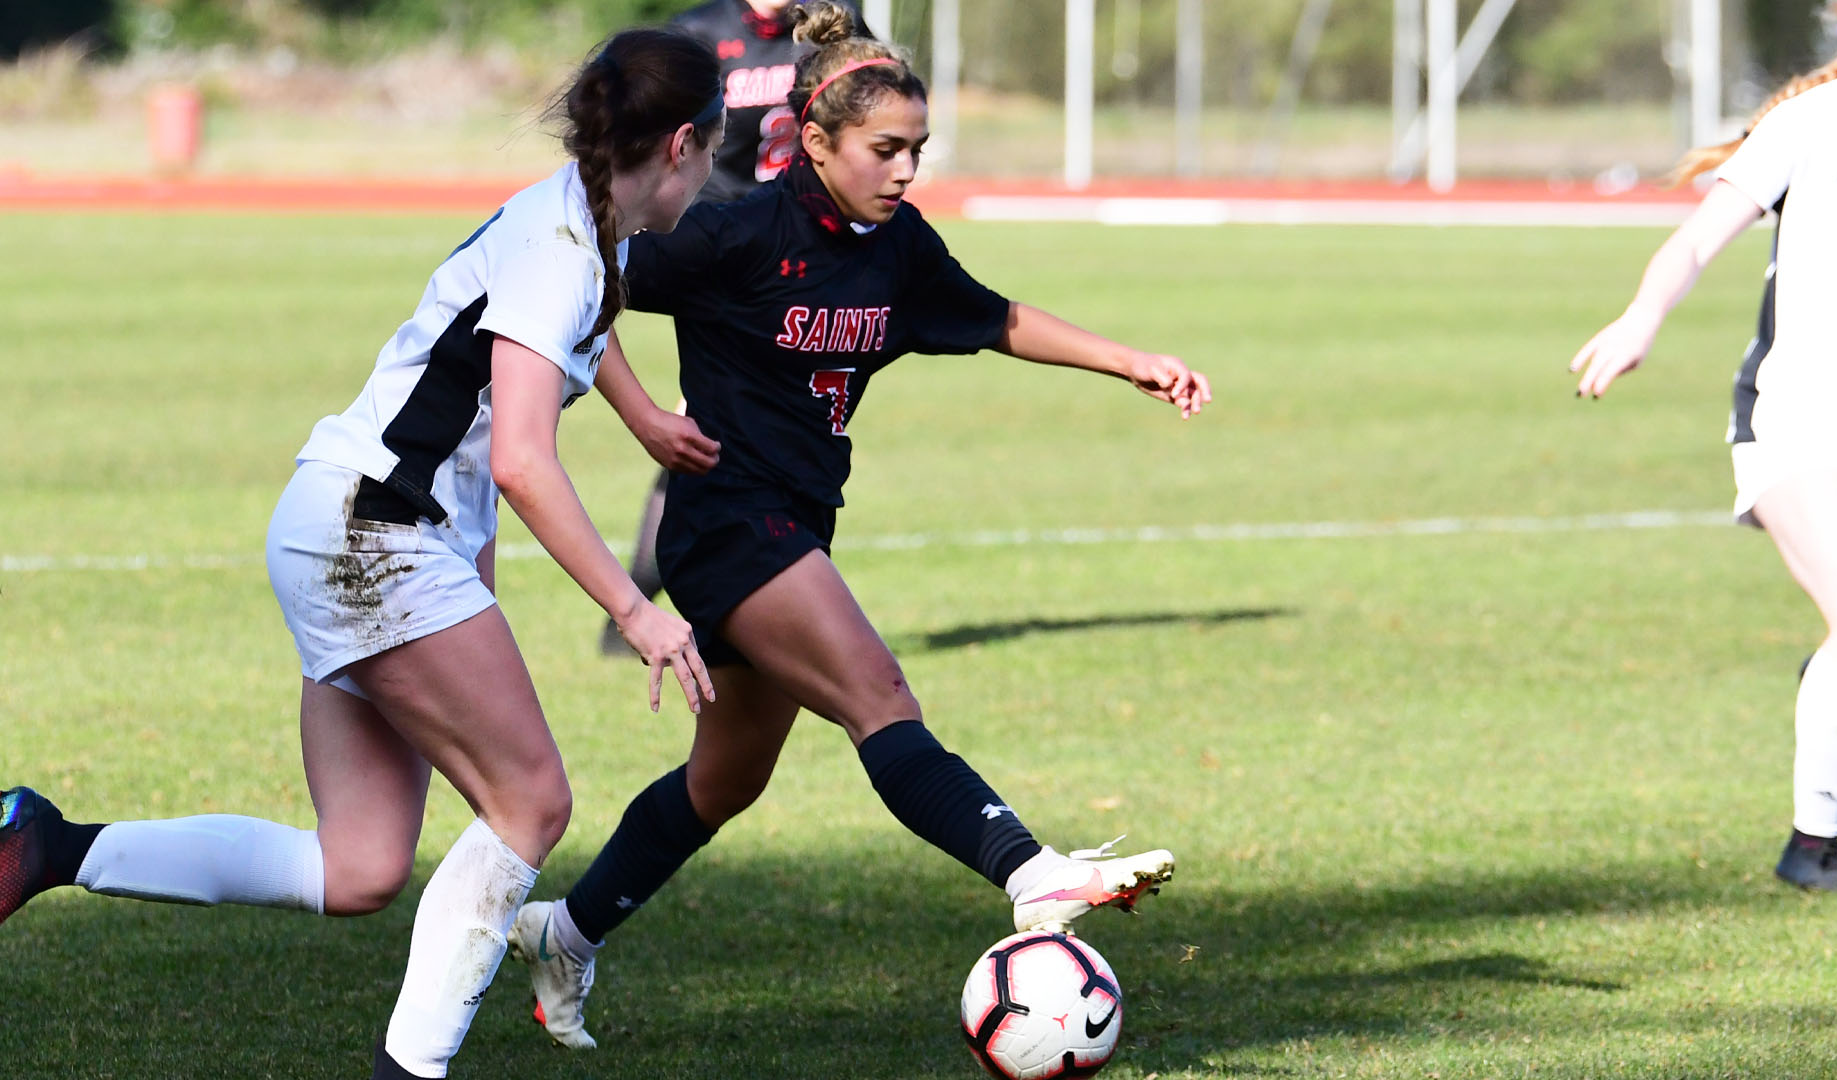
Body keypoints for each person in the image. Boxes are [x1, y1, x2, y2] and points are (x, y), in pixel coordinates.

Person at [0, 28, 722, 1078]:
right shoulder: (567, 254)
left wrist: (646, 417)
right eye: (711, 159)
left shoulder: (579, 217)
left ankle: (48, 843)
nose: (709, 179)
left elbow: (573, 330)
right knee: (532, 803)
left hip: (341, 524)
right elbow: (523, 458)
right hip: (373, 543)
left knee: (360, 865)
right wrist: (634, 607)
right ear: (684, 144)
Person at [507, 2, 1209, 1051]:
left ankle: (563, 932)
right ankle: (1031, 872)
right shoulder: (737, 232)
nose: (905, 169)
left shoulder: (897, 246)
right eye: (886, 149)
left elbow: (996, 317)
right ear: (816, 142)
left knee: (727, 777)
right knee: (878, 694)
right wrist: (647, 415)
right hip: (728, 528)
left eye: (918, 150)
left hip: (796, 523)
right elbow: (576, 276)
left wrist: (1131, 361)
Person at [1573, 0, 1837, 896]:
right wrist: (1642, 316)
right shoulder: (1805, 126)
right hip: (1798, 421)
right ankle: (1811, 847)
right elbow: (1693, 242)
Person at [599, 0, 868, 655]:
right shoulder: (700, 33)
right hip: (713, 252)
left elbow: (873, 92)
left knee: (734, 428)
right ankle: (653, 604)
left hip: (797, 250)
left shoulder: (835, 22)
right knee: (722, 425)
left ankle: (671, 607)